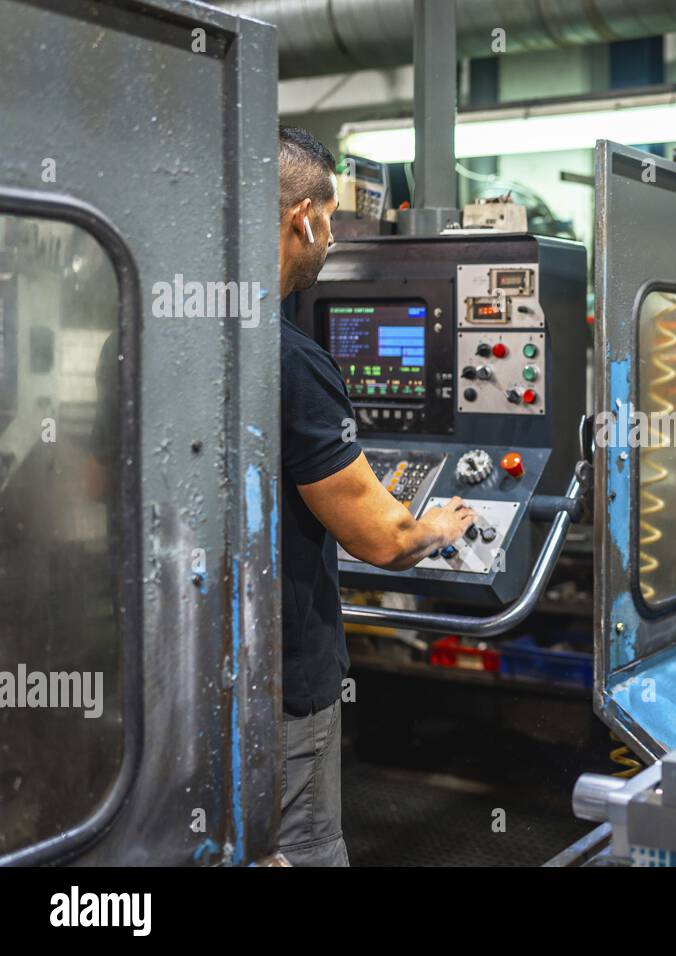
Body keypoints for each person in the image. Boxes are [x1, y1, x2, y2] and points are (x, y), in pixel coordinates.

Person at [276, 126, 474, 865]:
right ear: (305, 218)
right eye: (330, 222)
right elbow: (385, 539)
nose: (330, 241)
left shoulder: (139, 335)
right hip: (283, 683)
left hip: (179, 674)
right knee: (298, 847)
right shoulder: (297, 364)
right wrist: (441, 523)